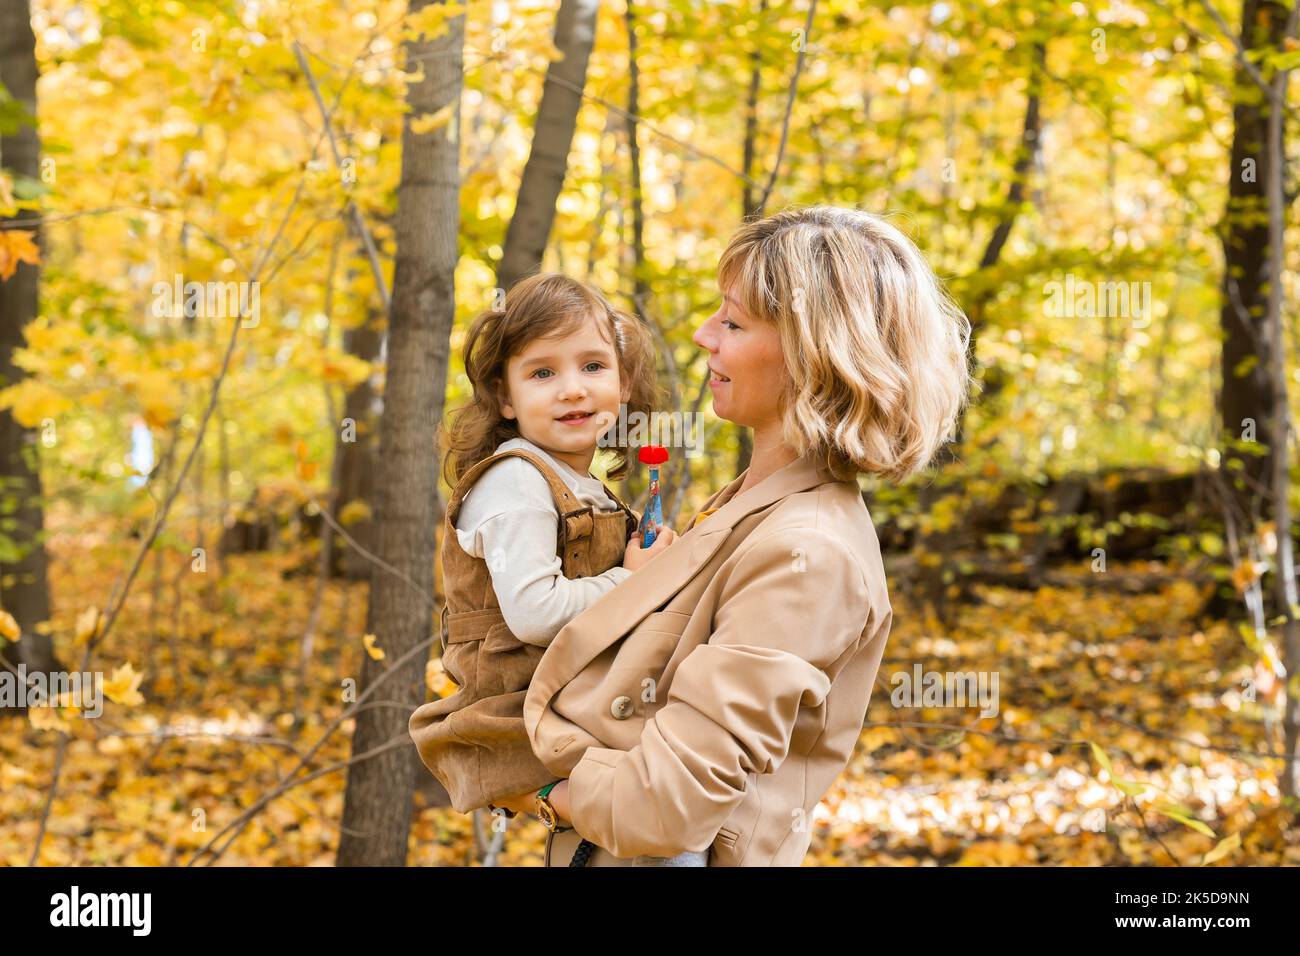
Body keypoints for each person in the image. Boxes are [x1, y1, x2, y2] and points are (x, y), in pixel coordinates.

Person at [495, 206, 973, 866]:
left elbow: (664, 810)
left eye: (733, 322)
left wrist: (531, 785)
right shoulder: (753, 506)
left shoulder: (807, 553)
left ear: (814, 352)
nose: (701, 336)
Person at [407, 272, 702, 866]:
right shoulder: (516, 478)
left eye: (593, 366)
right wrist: (635, 582)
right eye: (543, 373)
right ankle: (560, 800)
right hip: (517, 703)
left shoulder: (584, 485)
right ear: (506, 398)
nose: (572, 389)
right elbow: (536, 613)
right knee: (665, 826)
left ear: (623, 385)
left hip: (574, 699)